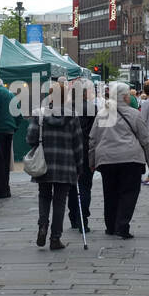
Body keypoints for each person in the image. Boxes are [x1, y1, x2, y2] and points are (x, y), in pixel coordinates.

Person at [26, 81, 85, 250]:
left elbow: (30, 138)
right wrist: (79, 167)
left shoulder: (39, 114)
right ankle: (55, 238)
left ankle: (43, 225)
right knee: (60, 202)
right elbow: (78, 144)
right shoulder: (72, 115)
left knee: (44, 196)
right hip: (66, 165)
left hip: (44, 162)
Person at [90, 81, 149, 238]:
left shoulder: (102, 114)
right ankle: (122, 225)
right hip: (130, 159)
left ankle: (110, 226)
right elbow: (144, 139)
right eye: (129, 94)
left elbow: (93, 139)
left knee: (110, 192)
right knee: (129, 192)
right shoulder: (134, 114)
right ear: (124, 97)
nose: (130, 97)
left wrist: (91, 161)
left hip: (106, 160)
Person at [67, 80, 97, 232]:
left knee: (72, 186)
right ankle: (82, 218)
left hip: (69, 151)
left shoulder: (66, 108)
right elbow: (95, 133)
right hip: (85, 150)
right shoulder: (92, 108)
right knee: (85, 186)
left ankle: (73, 217)